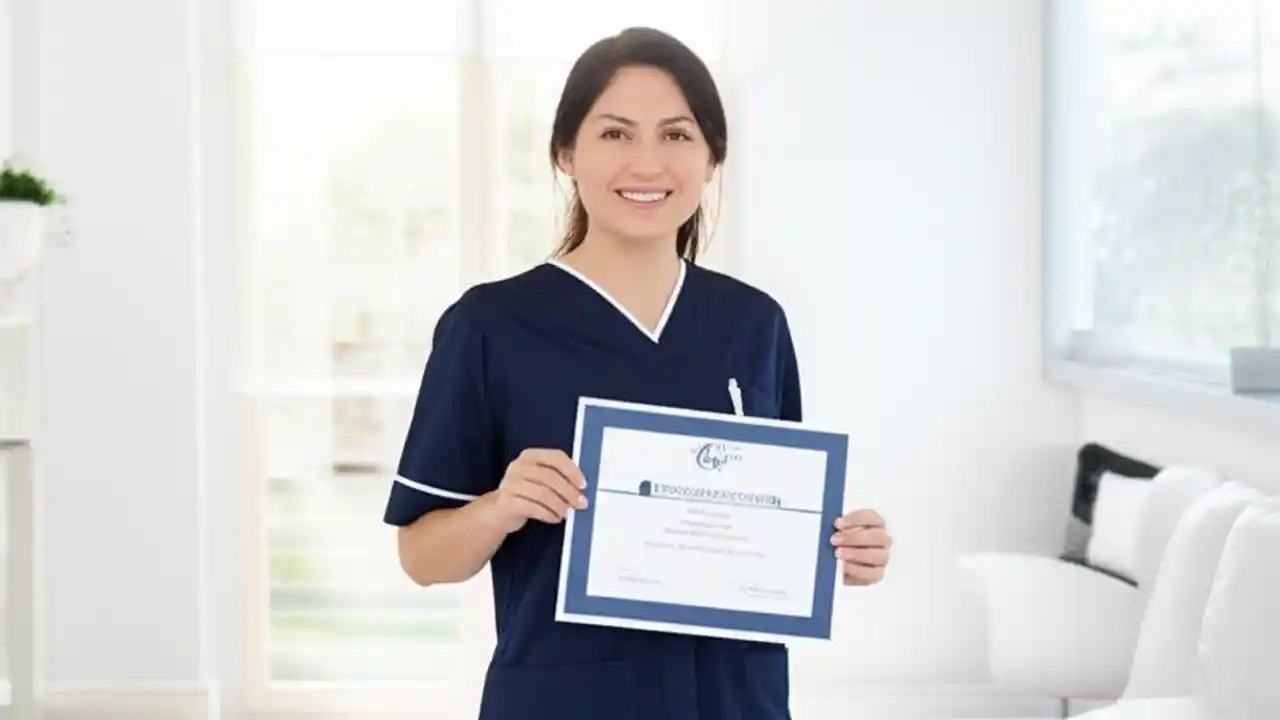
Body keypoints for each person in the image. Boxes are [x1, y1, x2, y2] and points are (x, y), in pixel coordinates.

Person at [384, 26, 893, 720]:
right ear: (566, 153)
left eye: (677, 136)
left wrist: (844, 550)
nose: (647, 163)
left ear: (713, 158)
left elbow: (776, 527)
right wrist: (502, 507)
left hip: (734, 701)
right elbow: (422, 556)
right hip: (565, 699)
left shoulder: (753, 325)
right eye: (616, 134)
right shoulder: (491, 326)